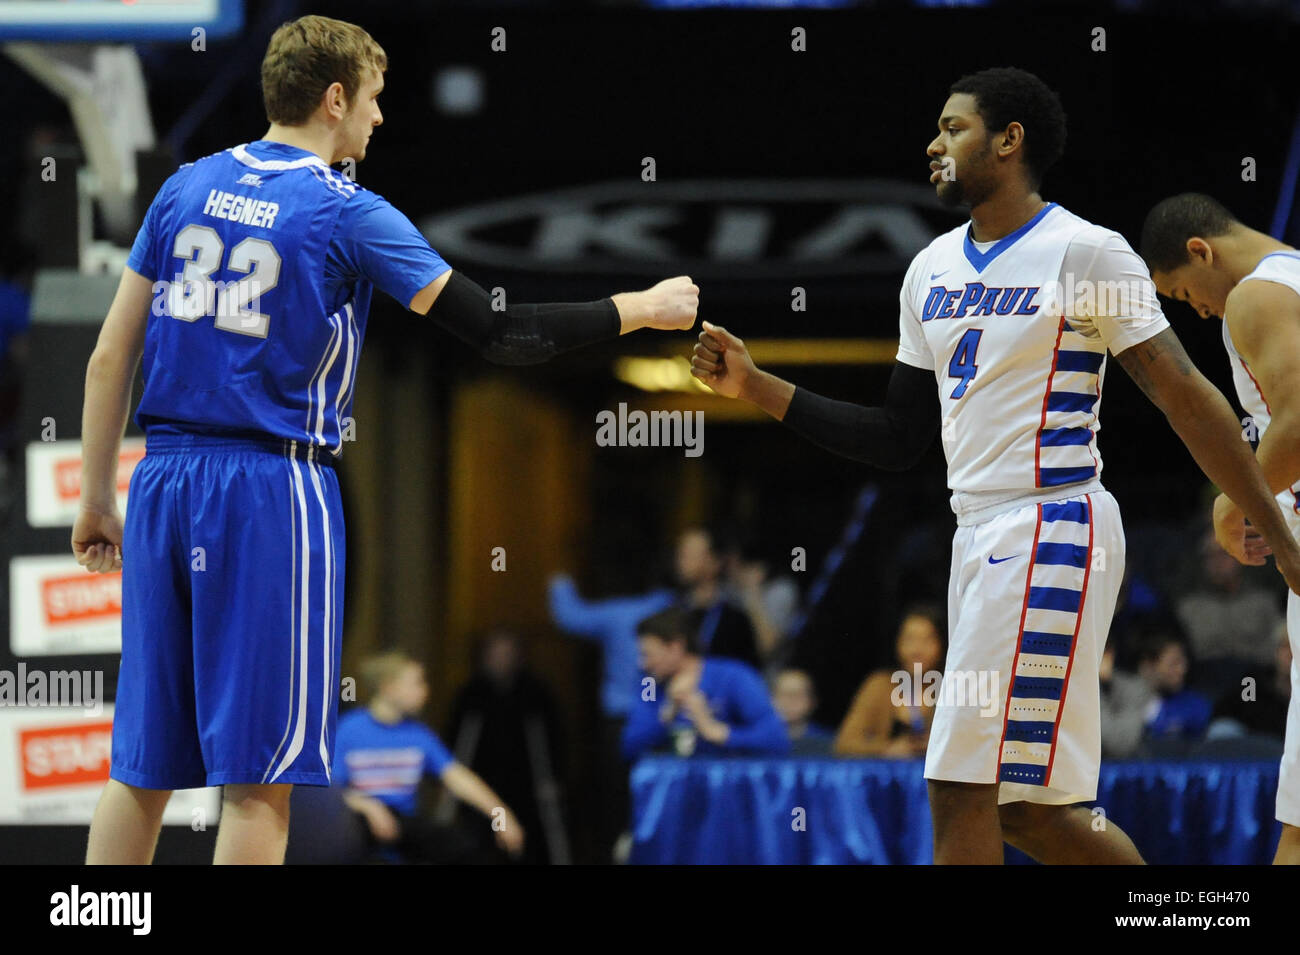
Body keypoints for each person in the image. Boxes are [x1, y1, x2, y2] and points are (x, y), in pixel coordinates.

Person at [73, 14, 698, 865]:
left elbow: (111, 354)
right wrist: (642, 309)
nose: (378, 120)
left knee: (141, 769)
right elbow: (502, 332)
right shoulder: (347, 212)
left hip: (161, 481)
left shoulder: (183, 186)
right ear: (334, 99)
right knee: (260, 779)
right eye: (372, 101)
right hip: (269, 490)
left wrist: (97, 494)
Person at [689, 67, 1300, 865]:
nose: (934, 143)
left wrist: (1274, 530)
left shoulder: (1085, 251)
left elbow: (1183, 393)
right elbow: (896, 438)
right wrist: (755, 385)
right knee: (1029, 813)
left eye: (953, 127)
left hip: (1053, 520)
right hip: (977, 533)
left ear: (1009, 142)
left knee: (958, 784)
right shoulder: (929, 270)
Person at [1140, 192, 1300, 862]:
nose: (1196, 310)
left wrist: (1231, 503)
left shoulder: (1253, 297)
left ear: (1202, 251)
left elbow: (1299, 419)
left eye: (1182, 292)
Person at [334, 651, 523, 863]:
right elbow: (331, 790)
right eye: (417, 683)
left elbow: (459, 778)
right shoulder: (348, 729)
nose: (425, 691)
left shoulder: (419, 735)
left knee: (462, 846)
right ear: (389, 687)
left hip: (404, 828)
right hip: (358, 826)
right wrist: (369, 807)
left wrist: (501, 814)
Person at [445, 630, 569, 864]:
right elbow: (455, 739)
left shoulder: (535, 693)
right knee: (478, 843)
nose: (501, 660)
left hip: (525, 785)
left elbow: (553, 739)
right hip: (482, 782)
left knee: (526, 842)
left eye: (507, 654)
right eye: (495, 654)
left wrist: (554, 778)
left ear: (519, 657)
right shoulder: (471, 695)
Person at [622, 607, 790, 760]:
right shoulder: (650, 684)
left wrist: (717, 731)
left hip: (726, 785)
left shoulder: (733, 676)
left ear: (675, 647)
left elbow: (776, 738)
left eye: (647, 654)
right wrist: (667, 715)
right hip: (672, 786)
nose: (642, 664)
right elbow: (630, 746)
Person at [834, 606, 944, 758]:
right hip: (887, 778)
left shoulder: (954, 687)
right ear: (897, 643)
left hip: (935, 780)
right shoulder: (879, 685)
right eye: (909, 639)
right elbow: (844, 744)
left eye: (927, 640)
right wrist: (887, 749)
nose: (917, 650)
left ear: (943, 644)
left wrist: (939, 747)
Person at [1135, 634, 1211, 744]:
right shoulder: (1126, 701)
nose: (1182, 669)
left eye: (1183, 662)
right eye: (1173, 663)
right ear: (1148, 665)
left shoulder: (1194, 703)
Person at [770, 668, 835, 755]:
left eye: (798, 694)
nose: (790, 701)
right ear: (770, 699)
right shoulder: (757, 743)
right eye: (783, 695)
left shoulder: (830, 743)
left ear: (813, 701)